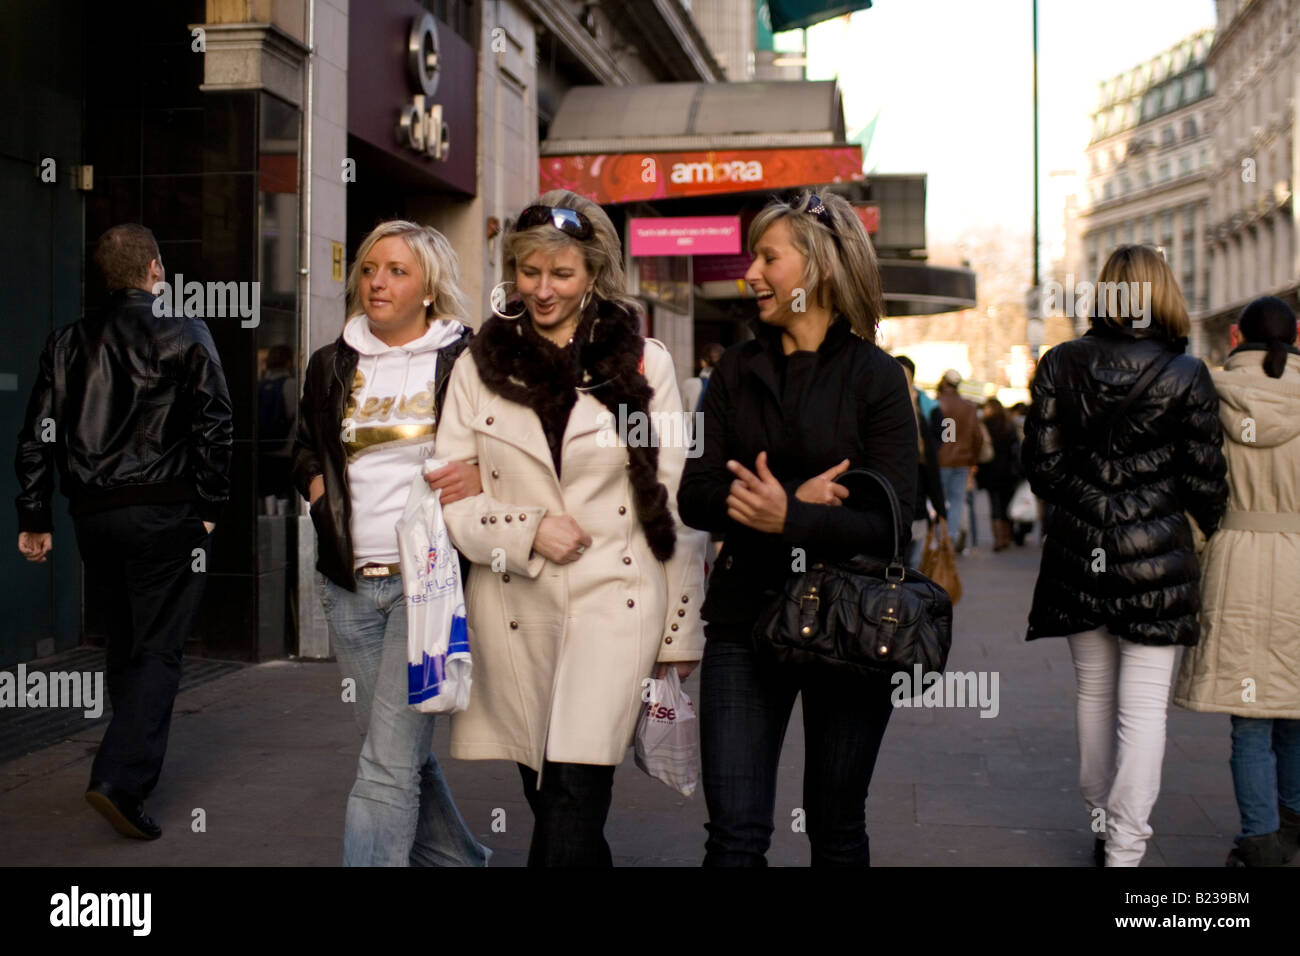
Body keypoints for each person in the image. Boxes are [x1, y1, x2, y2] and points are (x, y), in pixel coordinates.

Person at [433, 191, 709, 867]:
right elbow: (452, 501)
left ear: (592, 273)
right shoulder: (478, 366)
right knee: (549, 792)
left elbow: (675, 505)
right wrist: (525, 530)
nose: (544, 289)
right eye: (529, 272)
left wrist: (680, 634)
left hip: (617, 603)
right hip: (515, 612)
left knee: (572, 791)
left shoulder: (644, 363)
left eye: (561, 273)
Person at [679, 191, 917, 866]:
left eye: (768, 257)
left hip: (853, 625)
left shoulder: (876, 377)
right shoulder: (732, 370)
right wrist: (791, 502)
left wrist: (790, 517)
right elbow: (695, 494)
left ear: (817, 269)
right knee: (734, 836)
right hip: (744, 617)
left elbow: (892, 523)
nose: (749, 272)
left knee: (837, 827)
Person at [15, 223, 233, 840]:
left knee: (124, 641)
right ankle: (120, 778)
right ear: (155, 270)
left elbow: (37, 436)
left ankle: (122, 762)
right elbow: (216, 422)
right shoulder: (185, 330)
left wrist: (35, 515)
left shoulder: (65, 342)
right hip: (166, 513)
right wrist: (211, 503)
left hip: (94, 518)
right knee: (159, 647)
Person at [1021, 244, 1228, 867]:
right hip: (1158, 556)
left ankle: (1099, 816)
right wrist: (1191, 523)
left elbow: (1042, 469)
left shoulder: (1060, 363)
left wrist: (1092, 499)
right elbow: (1206, 481)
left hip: (1079, 550)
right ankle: (1126, 847)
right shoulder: (1187, 375)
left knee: (1092, 694)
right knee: (1142, 713)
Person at [292, 220, 488, 867]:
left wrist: (481, 475)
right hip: (348, 585)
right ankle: (460, 861)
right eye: (371, 269)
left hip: (426, 587)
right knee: (395, 749)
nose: (377, 281)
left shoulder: (466, 360)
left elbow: (513, 448)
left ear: (428, 288)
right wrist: (319, 493)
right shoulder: (332, 362)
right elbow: (300, 449)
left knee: (384, 763)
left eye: (397, 271)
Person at [1173, 295, 1300, 867]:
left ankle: (1260, 841)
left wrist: (1199, 550)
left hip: (1237, 560)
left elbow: (1196, 491)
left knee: (1249, 720)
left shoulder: (1211, 394)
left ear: (1233, 336)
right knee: (1295, 706)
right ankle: (1294, 823)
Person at [896, 354, 947, 567]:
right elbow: (944, 437)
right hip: (914, 507)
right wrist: (940, 510)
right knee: (910, 572)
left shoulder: (874, 410)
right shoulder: (928, 407)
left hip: (885, 510)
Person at [933, 369, 983, 553]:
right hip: (961, 460)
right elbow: (978, 436)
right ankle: (950, 538)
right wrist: (973, 458)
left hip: (939, 459)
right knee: (956, 501)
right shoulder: (969, 406)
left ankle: (937, 538)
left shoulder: (935, 403)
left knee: (938, 500)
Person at [976, 397, 1021, 552]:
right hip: (1009, 471)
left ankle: (998, 539)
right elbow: (1016, 448)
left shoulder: (986, 424)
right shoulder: (1009, 424)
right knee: (1007, 505)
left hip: (991, 470)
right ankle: (1007, 537)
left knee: (995, 505)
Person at [257, 343, 297, 514]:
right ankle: (282, 526)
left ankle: (268, 522)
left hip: (263, 448)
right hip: (285, 449)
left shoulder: (259, 386)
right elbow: (294, 414)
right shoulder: (291, 384)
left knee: (268, 491)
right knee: (284, 492)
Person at [680, 342, 725, 414]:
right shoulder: (729, 386)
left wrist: (699, 425)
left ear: (703, 362)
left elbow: (680, 414)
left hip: (698, 424)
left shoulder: (689, 384)